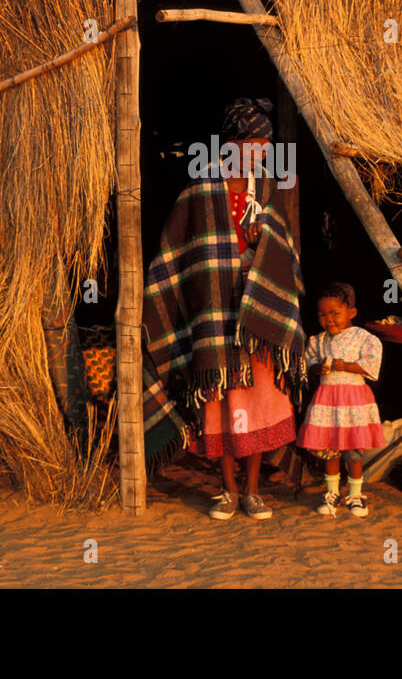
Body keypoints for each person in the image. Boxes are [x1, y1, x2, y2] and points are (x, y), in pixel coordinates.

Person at [143, 97, 306, 521]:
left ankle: (253, 491)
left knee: (255, 405)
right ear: (231, 143)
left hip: (259, 320)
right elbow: (178, 254)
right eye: (254, 143)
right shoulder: (200, 189)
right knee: (222, 405)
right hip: (214, 316)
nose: (262, 152)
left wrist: (261, 243)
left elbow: (286, 251)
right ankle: (227, 490)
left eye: (266, 146)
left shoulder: (268, 189)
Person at [295, 282, 385, 517]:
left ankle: (355, 495)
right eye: (323, 315)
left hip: (353, 401)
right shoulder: (317, 340)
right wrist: (317, 369)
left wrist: (347, 366)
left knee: (353, 451)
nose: (329, 319)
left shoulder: (364, 338)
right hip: (327, 402)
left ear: (352, 313)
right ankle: (331, 492)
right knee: (330, 448)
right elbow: (309, 363)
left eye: (335, 313)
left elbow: (371, 365)